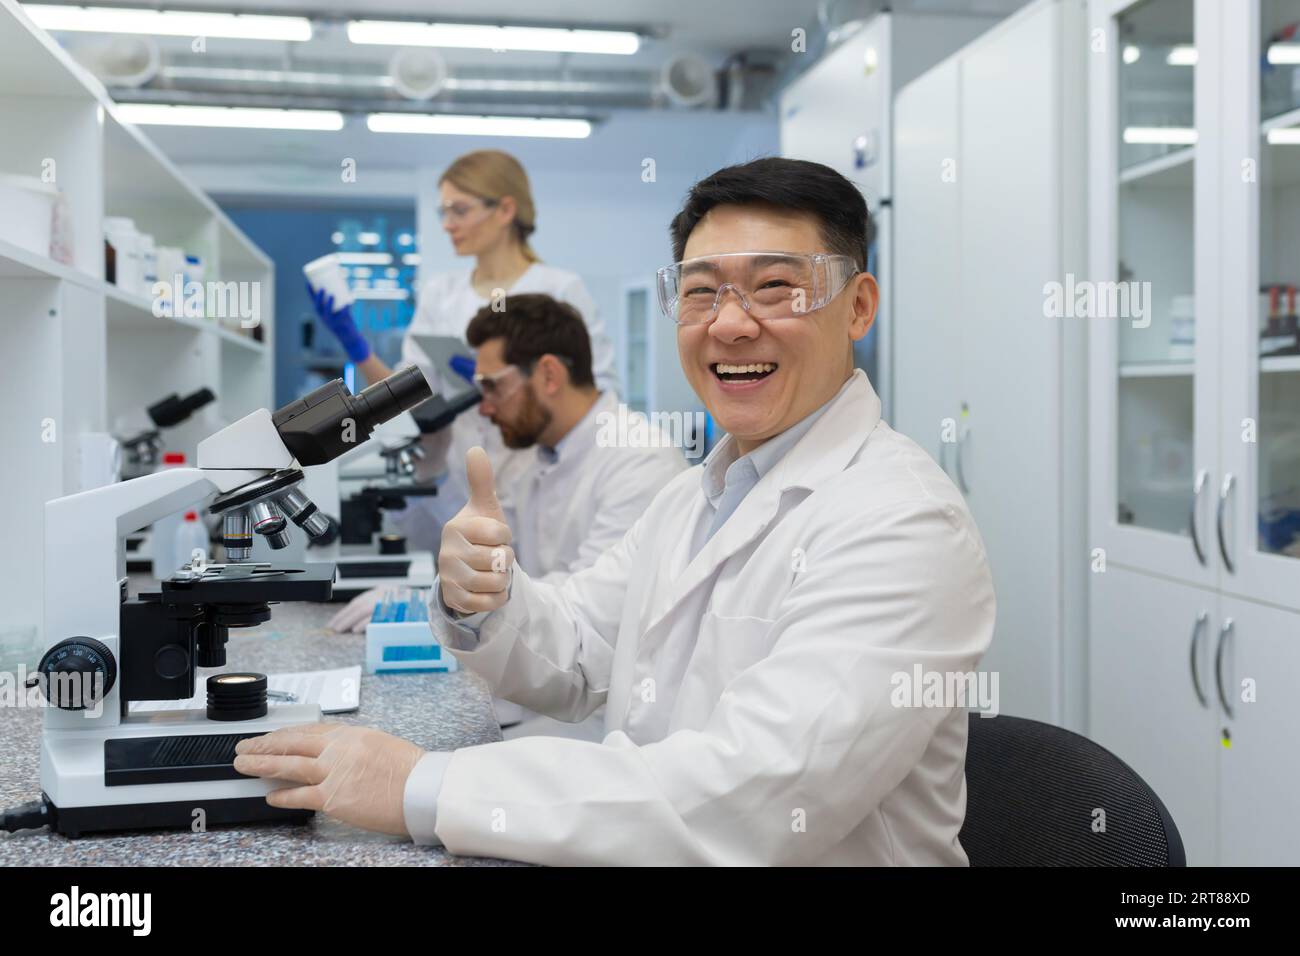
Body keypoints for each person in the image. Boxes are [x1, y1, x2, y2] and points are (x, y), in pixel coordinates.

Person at [236, 158, 997, 866]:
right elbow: (577, 651)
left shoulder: (903, 522)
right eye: (701, 292)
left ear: (858, 306)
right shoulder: (697, 494)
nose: (730, 324)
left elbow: (761, 792)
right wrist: (485, 598)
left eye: (775, 287)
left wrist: (423, 786)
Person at [329, 294, 685, 742]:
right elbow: (481, 556)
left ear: (549, 375)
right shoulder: (532, 454)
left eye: (493, 386)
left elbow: (581, 619)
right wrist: (434, 470)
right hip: (530, 679)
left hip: (592, 715)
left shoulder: (638, 461)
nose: (484, 407)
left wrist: (436, 613)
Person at [309, 149, 619, 549]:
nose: (448, 224)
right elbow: (404, 396)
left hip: (544, 480)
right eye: (443, 212)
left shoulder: (559, 288)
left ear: (505, 209)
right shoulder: (442, 293)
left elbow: (598, 392)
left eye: (459, 210)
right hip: (458, 487)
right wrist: (356, 346)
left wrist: (504, 380)